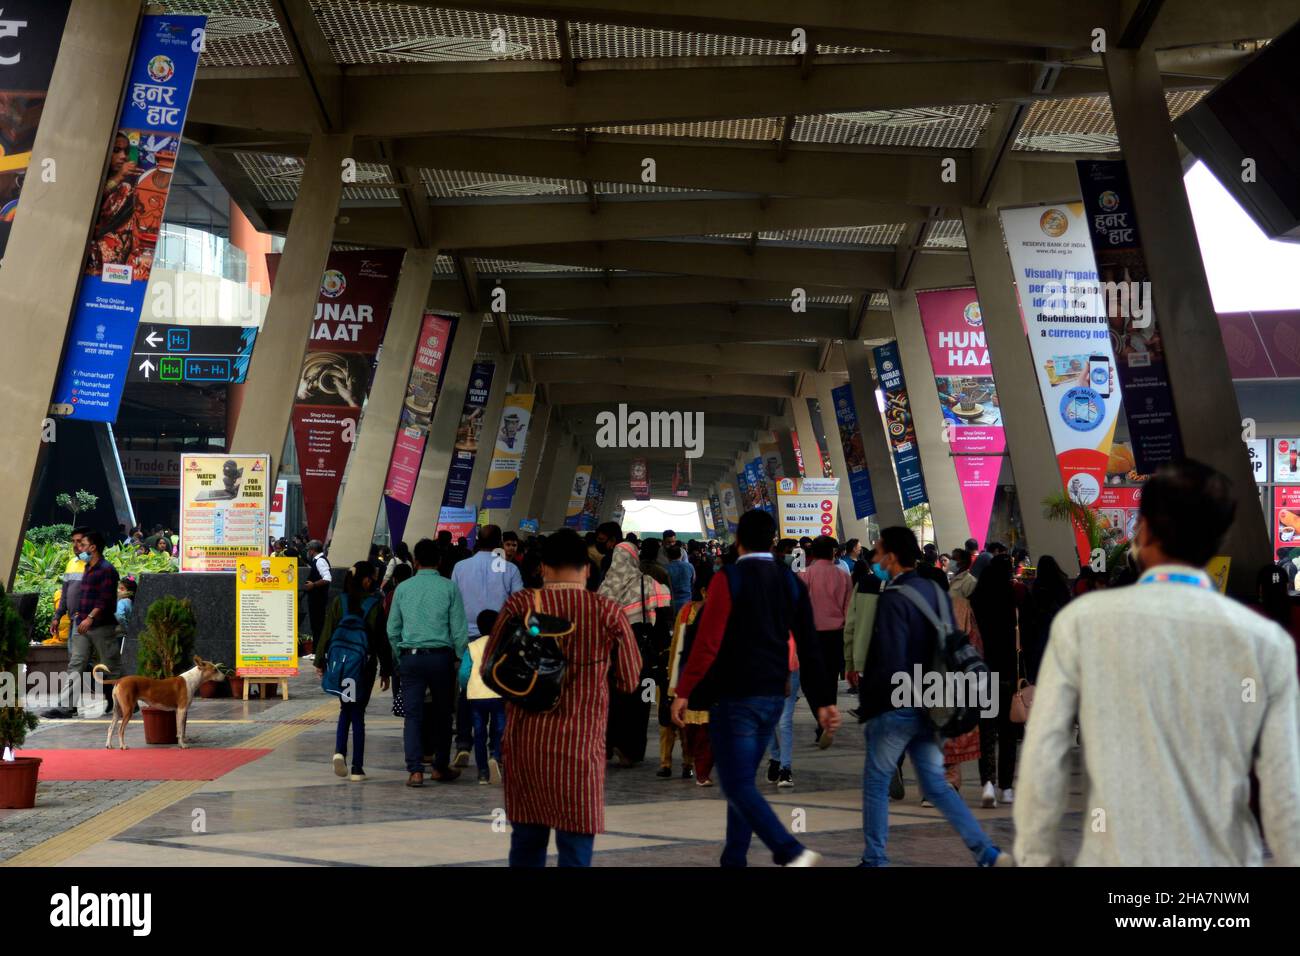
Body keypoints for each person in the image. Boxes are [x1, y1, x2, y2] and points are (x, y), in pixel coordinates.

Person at [1017, 460, 1300, 866]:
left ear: (1143, 529)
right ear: (1217, 540)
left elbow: (1045, 755)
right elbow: (1284, 785)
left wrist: (1036, 856)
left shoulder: (1082, 624)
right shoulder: (1265, 642)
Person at [672, 509, 841, 867]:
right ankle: (734, 857)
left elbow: (707, 642)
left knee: (736, 784)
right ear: (773, 541)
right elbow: (810, 644)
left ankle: (789, 850)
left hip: (734, 697)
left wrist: (684, 689)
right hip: (772, 697)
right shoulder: (790, 581)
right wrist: (824, 701)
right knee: (743, 779)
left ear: (738, 541)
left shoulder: (728, 579)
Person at [484, 529, 642, 866]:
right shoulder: (607, 612)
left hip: (526, 746)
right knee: (575, 848)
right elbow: (629, 679)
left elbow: (490, 670)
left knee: (527, 844)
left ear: (542, 567)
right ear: (587, 568)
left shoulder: (520, 604)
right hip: (580, 751)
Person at [857, 526, 1008, 867]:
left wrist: (872, 704)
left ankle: (874, 859)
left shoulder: (894, 597)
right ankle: (986, 852)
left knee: (876, 783)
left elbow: (891, 660)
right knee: (936, 785)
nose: (876, 559)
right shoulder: (935, 591)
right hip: (933, 702)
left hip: (898, 706)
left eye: (879, 552)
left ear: (892, 557)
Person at [387, 538, 469, 787]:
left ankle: (415, 771)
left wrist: (400, 655)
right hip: (441, 658)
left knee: (413, 715)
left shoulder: (402, 589)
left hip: (411, 658)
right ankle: (439, 767)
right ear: (440, 561)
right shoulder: (449, 588)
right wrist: (459, 656)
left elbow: (392, 630)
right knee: (443, 714)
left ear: (415, 561)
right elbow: (459, 631)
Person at [450, 525, 523, 767]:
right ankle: (496, 750)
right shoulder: (510, 569)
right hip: (500, 639)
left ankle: (463, 743)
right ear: (500, 542)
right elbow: (519, 606)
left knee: (467, 691)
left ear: (477, 541)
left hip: (468, 639)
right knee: (500, 692)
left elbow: (454, 604)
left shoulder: (460, 568)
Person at [316, 561, 393, 781]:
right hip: (364, 667)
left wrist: (320, 661)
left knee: (345, 709)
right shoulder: (375, 605)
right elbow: (381, 640)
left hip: (341, 665)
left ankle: (339, 751)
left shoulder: (339, 602)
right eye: (373, 577)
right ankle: (357, 768)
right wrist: (386, 670)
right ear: (366, 579)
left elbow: (327, 632)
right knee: (358, 714)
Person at [599, 541, 671, 766]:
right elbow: (664, 608)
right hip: (639, 651)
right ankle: (631, 749)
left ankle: (608, 744)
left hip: (610, 652)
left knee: (610, 699)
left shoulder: (605, 586)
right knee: (640, 698)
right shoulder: (646, 583)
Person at [43, 530, 120, 719]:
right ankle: (67, 706)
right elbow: (77, 595)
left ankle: (127, 700)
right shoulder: (87, 568)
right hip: (82, 624)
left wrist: (90, 617)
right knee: (76, 663)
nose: (80, 548)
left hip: (101, 625)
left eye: (83, 544)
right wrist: (74, 616)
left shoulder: (107, 569)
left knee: (110, 665)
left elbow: (105, 600)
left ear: (93, 548)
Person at [969, 553, 1020, 806]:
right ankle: (1007, 787)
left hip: (982, 672)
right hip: (1009, 672)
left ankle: (987, 784)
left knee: (986, 730)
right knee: (1009, 731)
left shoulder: (977, 597)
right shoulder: (1014, 596)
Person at [798, 535, 853, 750]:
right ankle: (828, 717)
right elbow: (848, 609)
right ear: (833, 553)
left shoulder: (805, 575)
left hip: (811, 636)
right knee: (830, 680)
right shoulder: (844, 576)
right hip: (836, 635)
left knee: (809, 682)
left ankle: (822, 720)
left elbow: (800, 610)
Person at [460, 609, 505, 785]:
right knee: (499, 729)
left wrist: (466, 687)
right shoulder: (503, 645)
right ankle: (496, 755)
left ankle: (483, 773)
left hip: (476, 697)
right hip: (498, 695)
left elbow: (464, 673)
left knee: (479, 733)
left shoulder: (472, 646)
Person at [304, 540, 333, 648]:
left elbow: (327, 578)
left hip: (318, 599)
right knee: (315, 625)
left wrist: (314, 585)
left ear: (312, 550)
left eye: (308, 550)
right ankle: (315, 651)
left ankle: (318, 651)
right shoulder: (317, 560)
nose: (308, 552)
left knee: (318, 625)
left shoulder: (320, 561)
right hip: (315, 598)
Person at [665, 543, 694, 619]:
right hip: (688, 600)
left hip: (672, 603)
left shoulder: (665, 568)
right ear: (681, 554)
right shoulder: (690, 566)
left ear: (668, 556)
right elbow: (693, 581)